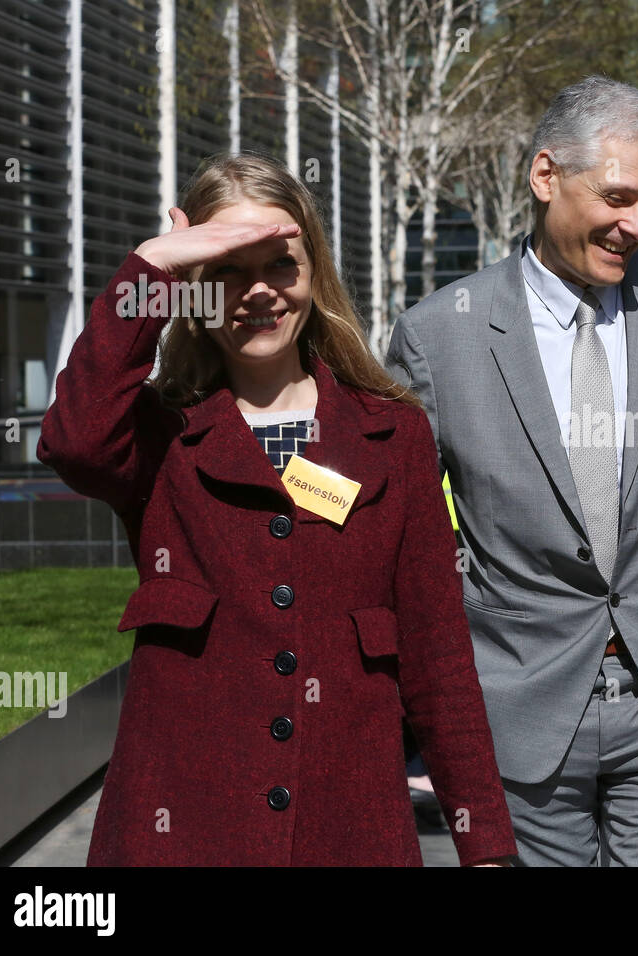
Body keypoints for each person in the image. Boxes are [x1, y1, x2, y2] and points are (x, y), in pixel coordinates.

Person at [37, 154, 515, 866]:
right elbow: (73, 440)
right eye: (227, 267)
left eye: (280, 265)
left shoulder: (393, 434)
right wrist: (151, 269)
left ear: (314, 271)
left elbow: (437, 653)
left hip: (349, 833)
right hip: (182, 831)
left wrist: (487, 848)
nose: (258, 291)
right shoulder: (164, 433)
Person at [387, 76, 638, 867]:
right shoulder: (439, 335)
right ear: (547, 177)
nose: (637, 224)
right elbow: (410, 541)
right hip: (519, 715)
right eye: (618, 197)